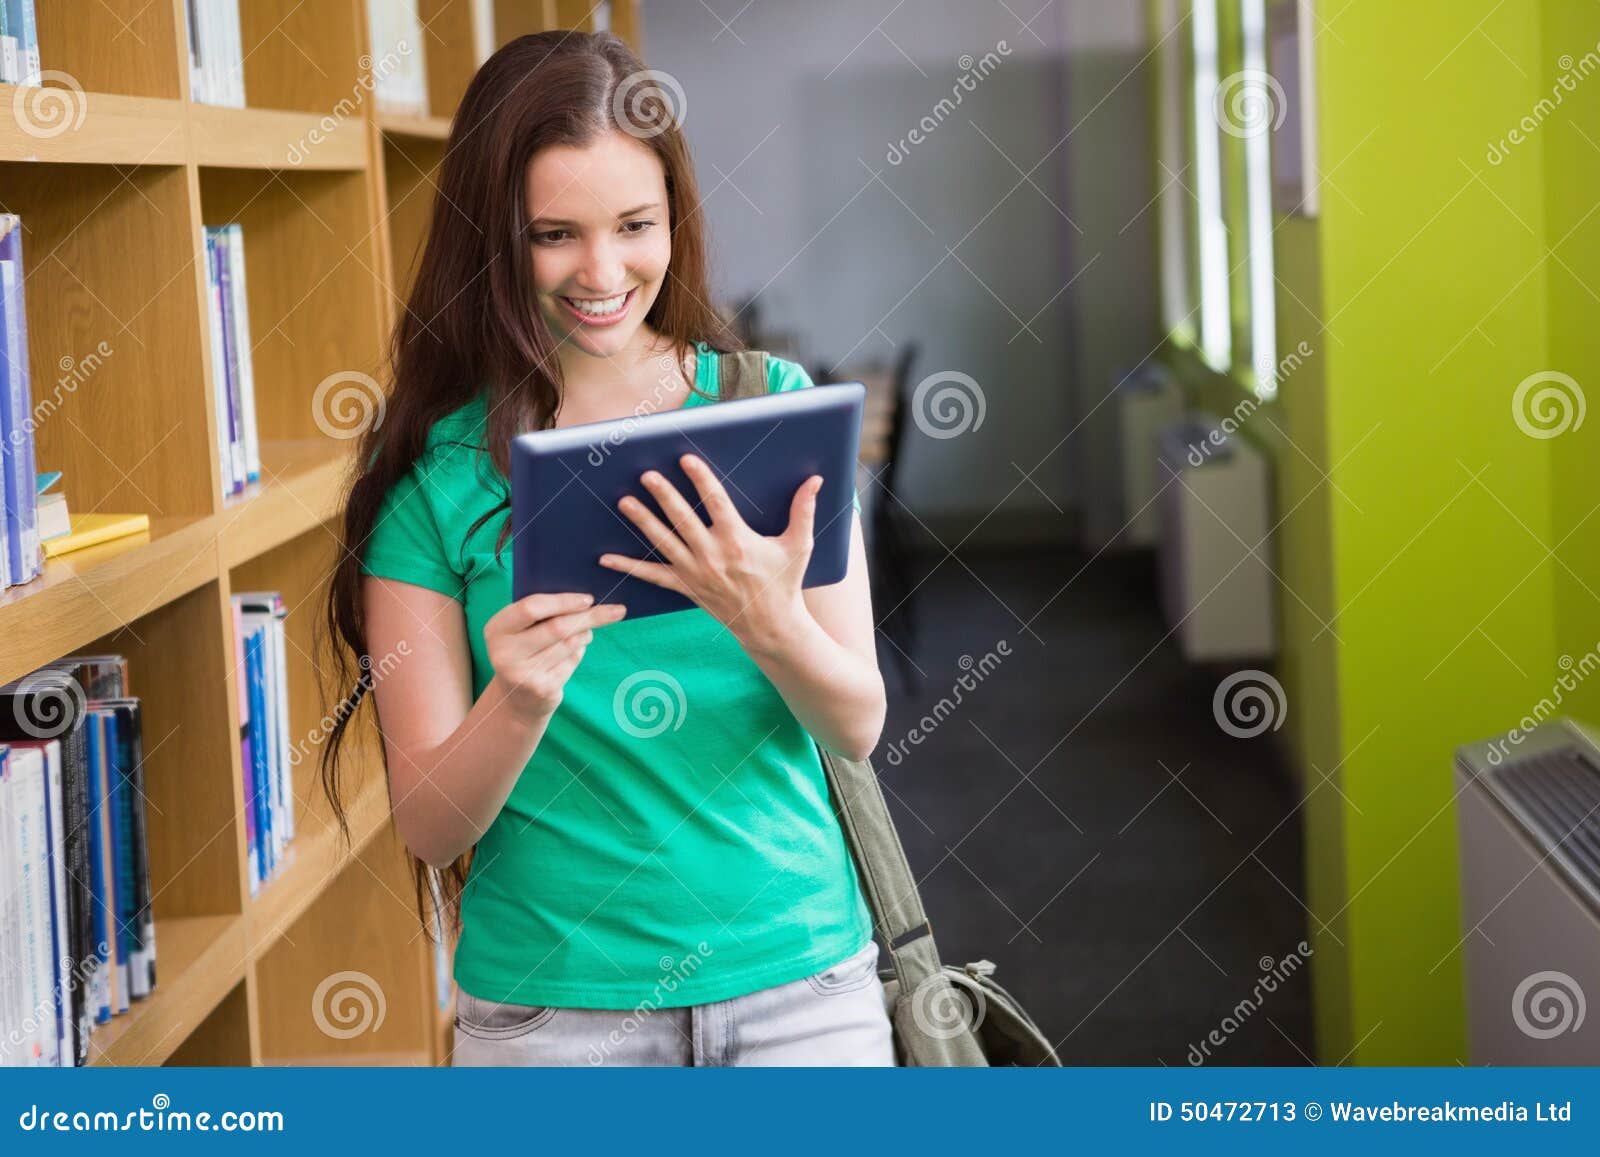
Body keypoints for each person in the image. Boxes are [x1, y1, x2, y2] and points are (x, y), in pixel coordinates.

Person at [317, 30, 894, 1067]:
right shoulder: (436, 486)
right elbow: (431, 827)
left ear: (675, 217)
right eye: (554, 234)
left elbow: (855, 721)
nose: (602, 270)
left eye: (635, 224)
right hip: (555, 1019)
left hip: (801, 983)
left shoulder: (773, 412)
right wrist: (519, 696)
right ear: (492, 240)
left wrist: (769, 620)